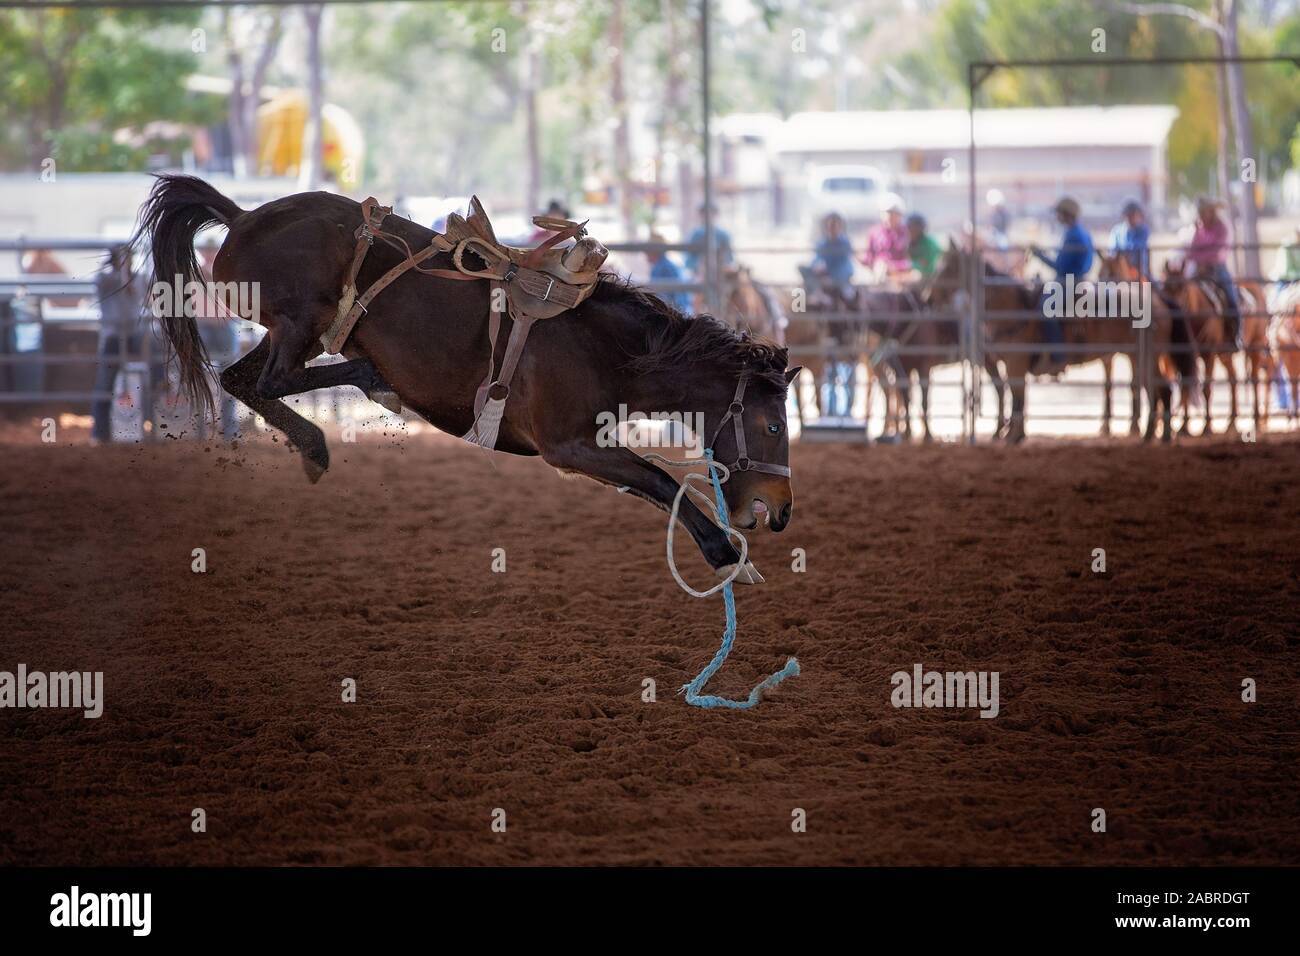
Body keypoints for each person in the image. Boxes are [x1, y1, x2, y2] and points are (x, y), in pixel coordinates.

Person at [91, 245, 153, 443]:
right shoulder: (104, 279)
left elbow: (139, 294)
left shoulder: (139, 277)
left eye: (129, 258)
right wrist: (122, 271)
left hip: (134, 334)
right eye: (123, 258)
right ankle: (99, 435)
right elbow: (120, 284)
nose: (128, 261)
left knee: (156, 363)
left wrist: (127, 272)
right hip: (113, 336)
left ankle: (157, 422)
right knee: (104, 385)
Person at [1030, 196, 1094, 374]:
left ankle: (1058, 357)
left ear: (1066, 215)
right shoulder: (1080, 232)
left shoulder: (1073, 235)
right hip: (1076, 279)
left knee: (1046, 309)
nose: (1057, 217)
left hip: (1069, 282)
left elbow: (1060, 266)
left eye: (1059, 214)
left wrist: (1039, 255)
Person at [1186, 196, 1241, 347]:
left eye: (1204, 212)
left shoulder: (1223, 227)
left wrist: (1202, 259)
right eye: (1200, 213)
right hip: (1199, 269)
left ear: (1211, 212)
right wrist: (1199, 259)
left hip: (1217, 269)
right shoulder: (1199, 229)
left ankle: (1237, 335)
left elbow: (1219, 252)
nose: (1201, 216)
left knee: (1231, 297)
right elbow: (1191, 251)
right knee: (1183, 293)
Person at [798, 212, 856, 305]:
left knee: (848, 295)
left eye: (834, 226)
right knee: (800, 281)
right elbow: (816, 259)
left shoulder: (845, 243)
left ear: (840, 227)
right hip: (821, 276)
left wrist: (831, 276)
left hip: (839, 278)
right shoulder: (822, 243)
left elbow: (844, 265)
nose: (832, 229)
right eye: (830, 226)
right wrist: (816, 266)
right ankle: (797, 312)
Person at [860, 198, 912, 282]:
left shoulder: (907, 233)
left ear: (900, 216)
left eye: (893, 214)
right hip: (878, 272)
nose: (889, 217)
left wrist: (893, 267)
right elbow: (869, 256)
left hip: (900, 274)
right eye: (887, 213)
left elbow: (911, 260)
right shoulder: (874, 232)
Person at [683, 202, 734, 279]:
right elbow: (688, 260)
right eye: (704, 214)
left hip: (720, 274)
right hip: (699, 274)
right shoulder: (695, 234)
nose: (708, 216)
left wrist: (719, 265)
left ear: (716, 215)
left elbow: (729, 258)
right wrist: (700, 265)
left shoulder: (723, 234)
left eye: (711, 213)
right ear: (700, 215)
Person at [645, 231, 692, 313]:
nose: (645, 253)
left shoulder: (663, 268)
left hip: (672, 314)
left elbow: (673, 299)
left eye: (648, 250)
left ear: (654, 251)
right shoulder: (664, 266)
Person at [1108, 199, 1152, 278]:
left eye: (1134, 214)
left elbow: (1137, 247)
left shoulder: (1143, 230)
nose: (1132, 217)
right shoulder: (1116, 231)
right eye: (1129, 214)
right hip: (1119, 269)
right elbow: (1112, 250)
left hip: (1140, 270)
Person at [907, 213, 943, 278]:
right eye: (909, 227)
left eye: (913, 228)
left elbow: (926, 266)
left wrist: (907, 265)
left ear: (920, 229)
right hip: (912, 275)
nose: (910, 231)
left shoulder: (929, 243)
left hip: (929, 278)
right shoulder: (910, 242)